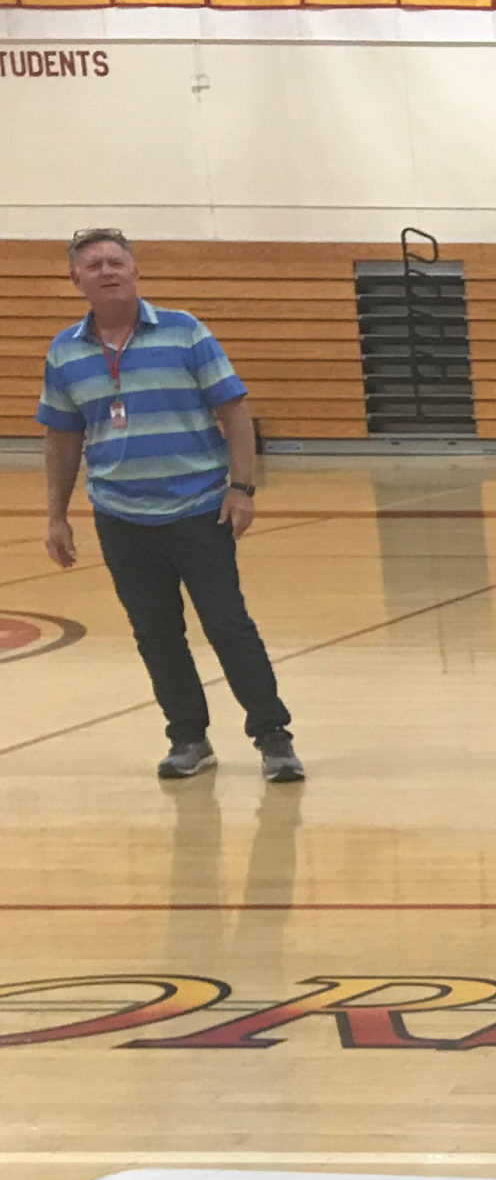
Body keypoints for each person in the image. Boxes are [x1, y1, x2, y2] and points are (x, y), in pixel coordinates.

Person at [38, 227, 302, 782]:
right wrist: (56, 515)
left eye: (116, 261)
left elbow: (234, 412)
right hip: (120, 516)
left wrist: (242, 487)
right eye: (94, 265)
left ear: (135, 271)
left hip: (199, 508)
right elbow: (62, 437)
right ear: (75, 280)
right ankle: (188, 738)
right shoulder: (64, 351)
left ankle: (273, 737)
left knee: (229, 625)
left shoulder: (184, 332)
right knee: (155, 632)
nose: (107, 271)